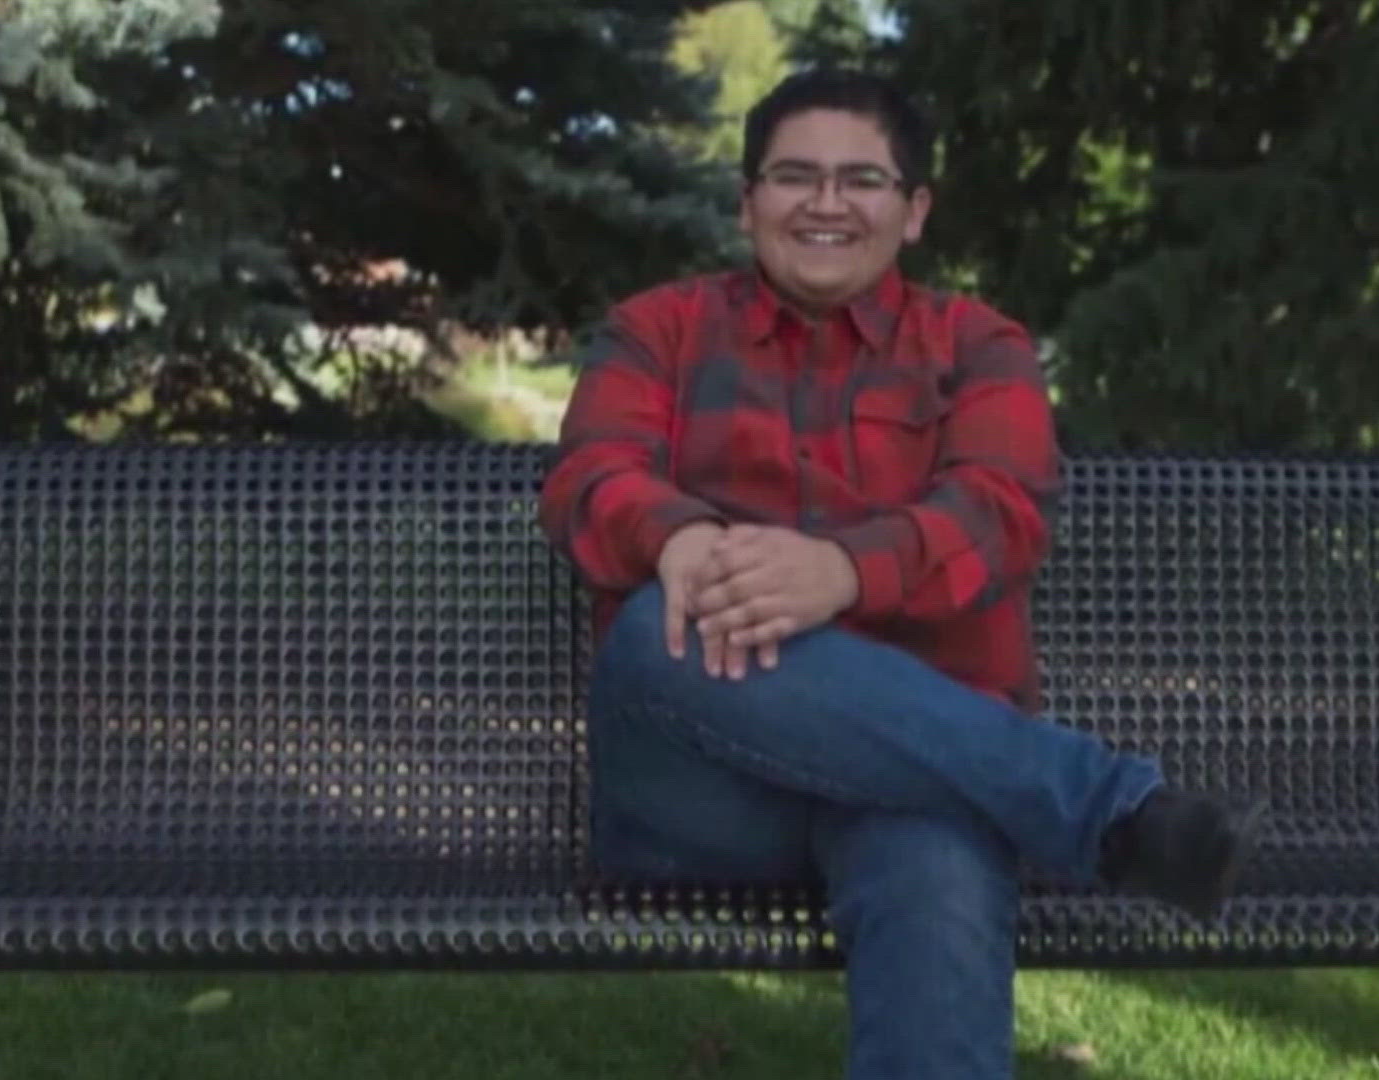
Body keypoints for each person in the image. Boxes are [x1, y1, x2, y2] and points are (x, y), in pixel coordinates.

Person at [538, 69, 1265, 1080]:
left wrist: (842, 571)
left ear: (912, 210)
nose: (827, 204)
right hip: (701, 798)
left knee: (935, 851)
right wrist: (676, 538)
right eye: (795, 177)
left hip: (919, 789)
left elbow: (1002, 511)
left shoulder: (979, 346)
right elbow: (589, 475)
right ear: (748, 201)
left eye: (862, 180)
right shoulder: (658, 328)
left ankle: (1068, 801)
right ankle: (1110, 811)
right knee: (656, 629)